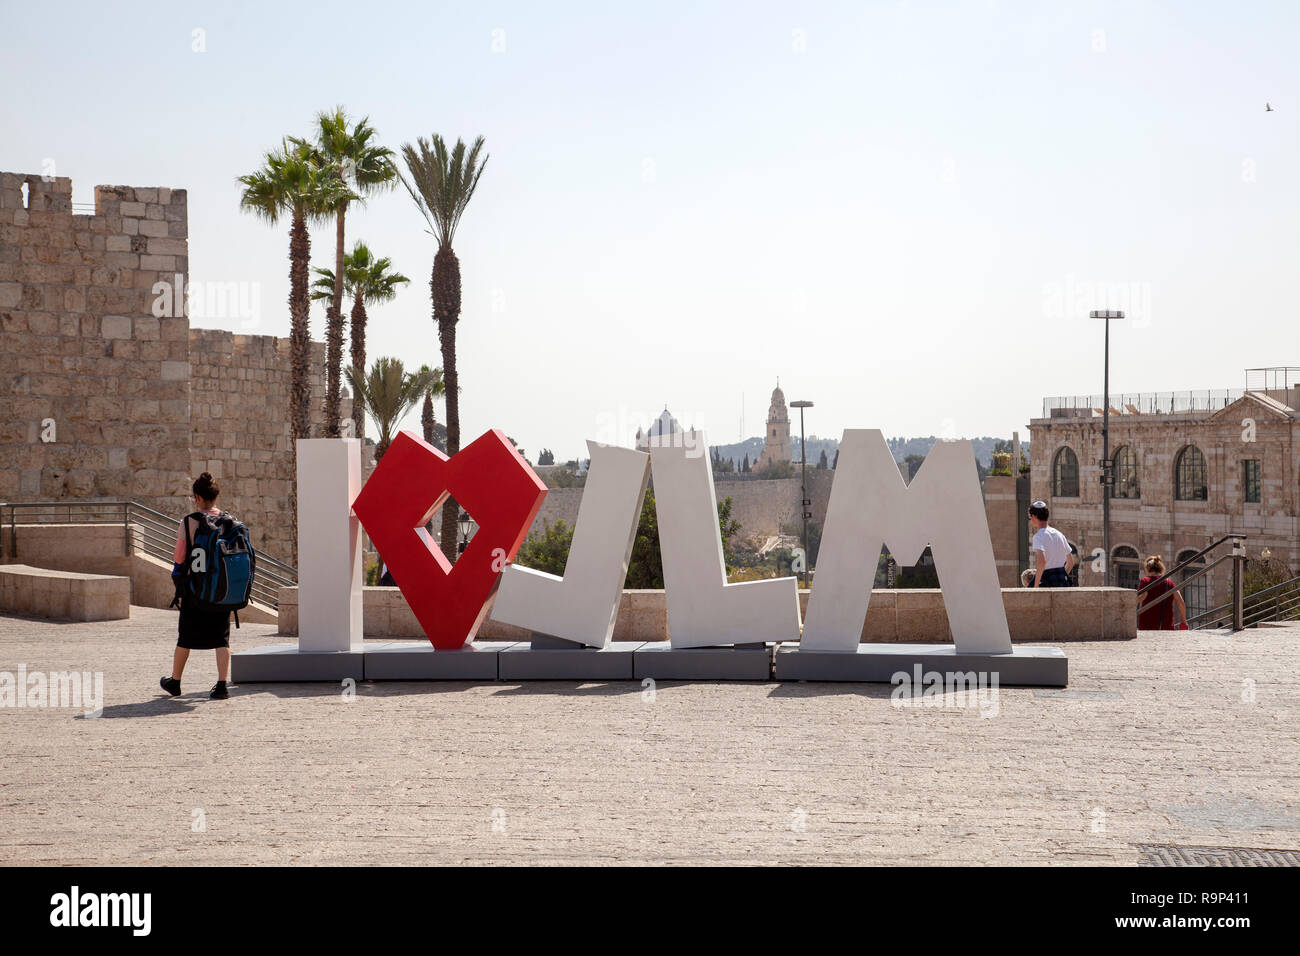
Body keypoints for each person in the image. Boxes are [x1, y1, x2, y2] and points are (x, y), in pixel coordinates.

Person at [160, 472, 234, 700]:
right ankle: (221, 685)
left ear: (197, 497)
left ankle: (175, 681)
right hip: (221, 591)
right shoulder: (228, 521)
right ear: (215, 496)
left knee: (186, 637)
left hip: (195, 590)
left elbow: (180, 557)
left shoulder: (189, 521)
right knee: (221, 639)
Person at [1027, 500, 1076, 587]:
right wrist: (1061, 575)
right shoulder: (1059, 534)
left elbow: (1042, 561)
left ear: (1034, 516)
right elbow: (1070, 562)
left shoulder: (1038, 536)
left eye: (1030, 517)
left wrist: (1036, 585)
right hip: (1062, 579)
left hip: (1046, 578)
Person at [1137, 555, 1188, 630]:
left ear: (1147, 569)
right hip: (1166, 624)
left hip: (1147, 623)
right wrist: (1183, 621)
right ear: (1161, 568)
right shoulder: (1169, 583)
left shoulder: (1145, 581)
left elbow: (1140, 598)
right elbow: (1180, 602)